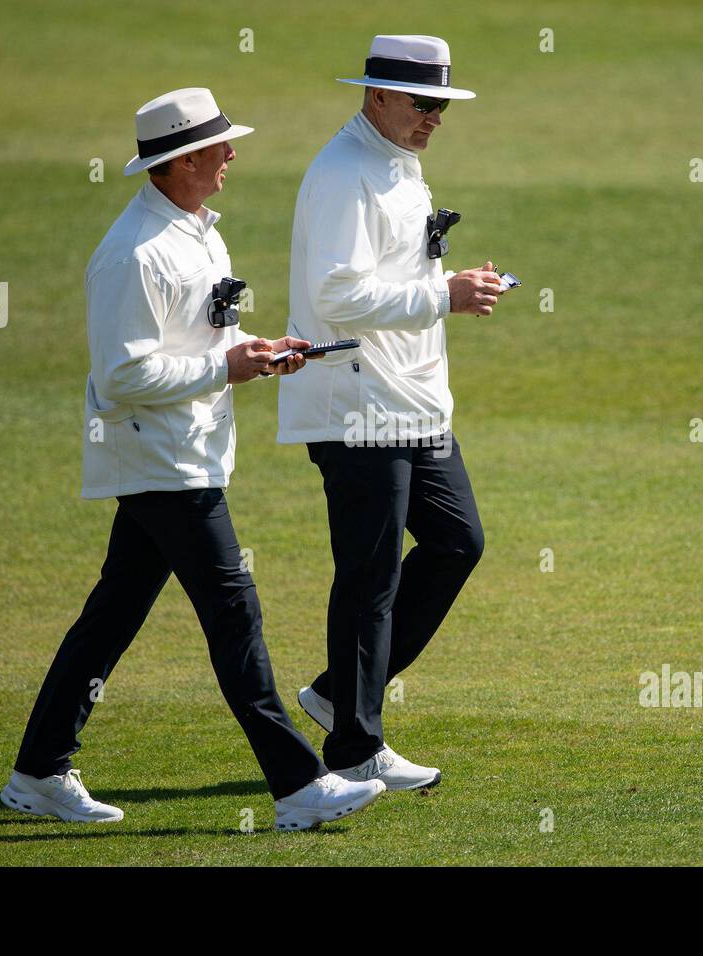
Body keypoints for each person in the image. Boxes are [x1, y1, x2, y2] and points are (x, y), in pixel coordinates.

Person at [1, 88, 386, 831]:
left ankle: (38, 770)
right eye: (218, 147)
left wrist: (261, 352)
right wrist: (226, 368)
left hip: (190, 455)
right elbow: (120, 378)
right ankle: (299, 785)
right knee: (235, 614)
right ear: (178, 163)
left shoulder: (198, 233)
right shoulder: (133, 255)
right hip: (160, 461)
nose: (232, 155)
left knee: (111, 616)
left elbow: (198, 345)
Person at [278, 37, 498, 789]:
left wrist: (448, 284)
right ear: (376, 96)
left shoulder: (397, 162)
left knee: (457, 541)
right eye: (423, 104)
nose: (435, 116)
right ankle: (355, 747)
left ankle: (339, 696)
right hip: (357, 404)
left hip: (410, 402)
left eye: (442, 105)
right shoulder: (345, 174)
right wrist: (445, 295)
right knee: (369, 575)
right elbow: (337, 295)